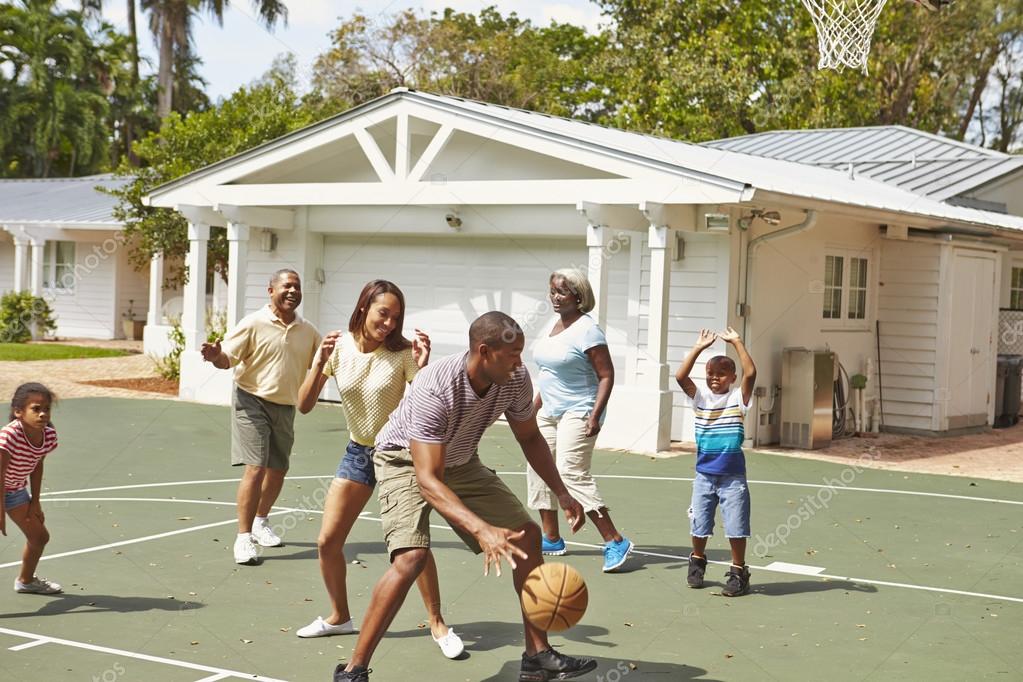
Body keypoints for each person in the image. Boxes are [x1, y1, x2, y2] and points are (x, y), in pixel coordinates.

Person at [333, 311, 597, 682]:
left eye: (520, 354)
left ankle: (537, 656)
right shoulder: (436, 386)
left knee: (527, 536)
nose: (519, 363)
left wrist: (562, 492)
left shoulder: (515, 378)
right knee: (411, 558)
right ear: (484, 351)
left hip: (459, 458)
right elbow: (427, 480)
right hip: (403, 459)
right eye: (512, 355)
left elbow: (529, 436)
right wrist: (482, 530)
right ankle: (353, 671)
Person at [294, 280, 463, 658]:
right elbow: (304, 405)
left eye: (395, 317)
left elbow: (425, 406)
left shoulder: (402, 353)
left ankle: (437, 622)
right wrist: (318, 363)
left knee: (412, 545)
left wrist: (423, 366)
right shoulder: (339, 347)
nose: (389, 323)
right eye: (383, 313)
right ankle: (340, 616)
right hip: (359, 453)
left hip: (400, 454)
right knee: (327, 542)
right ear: (364, 308)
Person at [201, 269, 321, 565]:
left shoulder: (307, 331)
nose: (293, 291)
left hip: (285, 406)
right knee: (256, 467)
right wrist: (216, 356)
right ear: (271, 291)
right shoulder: (253, 323)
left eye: (297, 287)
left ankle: (260, 521)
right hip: (251, 401)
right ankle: (243, 538)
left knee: (278, 470)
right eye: (287, 286)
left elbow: (327, 361)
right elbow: (226, 359)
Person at [526, 268, 633, 573]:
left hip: (580, 410)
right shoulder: (553, 326)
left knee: (570, 471)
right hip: (548, 411)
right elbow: (549, 375)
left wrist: (595, 415)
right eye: (552, 291)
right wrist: (532, 410)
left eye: (562, 292)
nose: (555, 297)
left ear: (578, 295)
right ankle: (551, 537)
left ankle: (615, 540)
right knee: (538, 466)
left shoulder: (588, 330)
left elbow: (606, 375)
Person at [674, 327, 757, 597]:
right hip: (704, 476)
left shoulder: (738, 399)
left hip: (732, 477)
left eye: (721, 374)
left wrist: (737, 342)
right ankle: (697, 561)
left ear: (733, 378)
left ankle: (738, 571)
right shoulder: (700, 399)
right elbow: (680, 376)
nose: (714, 378)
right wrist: (698, 347)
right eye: (710, 374)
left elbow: (751, 373)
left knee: (736, 526)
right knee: (699, 524)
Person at [1, 382, 62, 595]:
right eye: (36, 409)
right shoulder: (9, 436)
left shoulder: (48, 435)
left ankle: (26, 581)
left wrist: (35, 501)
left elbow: (37, 465)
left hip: (15, 491)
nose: (43, 414)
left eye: (46, 409)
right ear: (18, 411)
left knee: (39, 537)